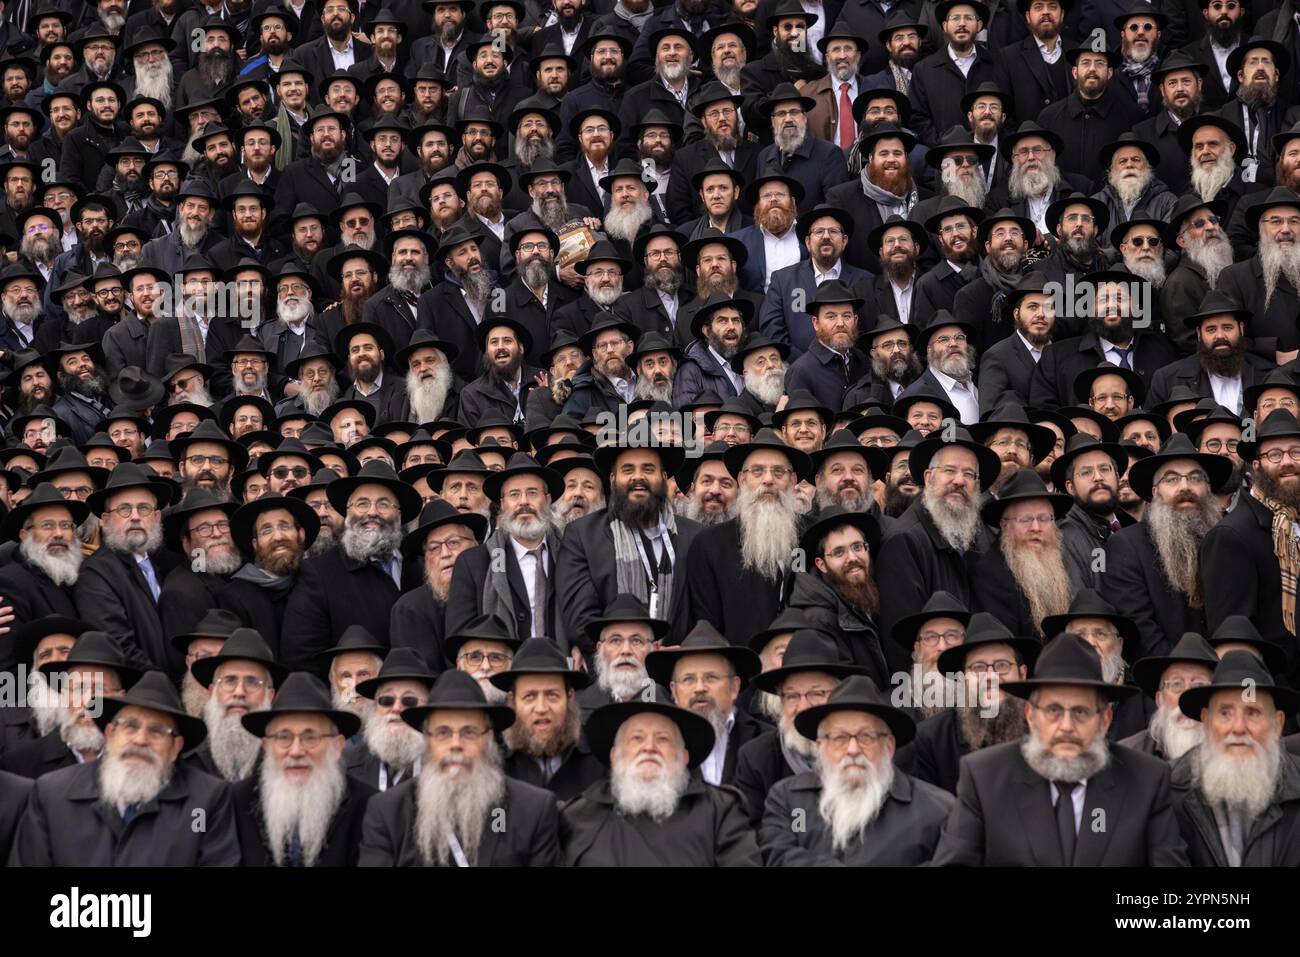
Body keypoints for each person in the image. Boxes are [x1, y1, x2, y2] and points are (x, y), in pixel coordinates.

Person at [931, 633, 1188, 866]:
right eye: (1053, 710)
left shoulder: (1145, 780)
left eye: (1081, 712)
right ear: (1030, 715)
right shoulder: (985, 777)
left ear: (1105, 719)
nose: (1066, 726)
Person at [8, 671, 241, 866]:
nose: (140, 740)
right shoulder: (53, 794)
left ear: (176, 747)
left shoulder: (205, 801)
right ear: (109, 734)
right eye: (130, 726)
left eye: (157, 731)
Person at [357, 669, 562, 867]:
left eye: (469, 732)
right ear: (428, 740)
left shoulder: (533, 810)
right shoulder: (388, 813)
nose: (456, 744)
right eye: (443, 732)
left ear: (488, 738)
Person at [760, 674, 954, 865]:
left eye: (866, 737)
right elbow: (777, 854)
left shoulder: (936, 810)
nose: (853, 750)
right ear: (820, 747)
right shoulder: (789, 801)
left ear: (888, 746)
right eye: (839, 738)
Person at [559, 698, 761, 866]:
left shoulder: (720, 809)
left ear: (683, 758)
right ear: (615, 755)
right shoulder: (578, 815)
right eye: (637, 738)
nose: (649, 747)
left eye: (662, 739)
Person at [232, 672, 375, 867]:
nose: (296, 751)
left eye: (310, 738)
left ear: (337, 746)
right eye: (283, 737)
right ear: (267, 746)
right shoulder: (237, 801)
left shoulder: (368, 806)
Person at [1170, 650, 1300, 866]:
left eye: (1252, 713)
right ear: (1206, 721)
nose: (1239, 728)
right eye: (1225, 713)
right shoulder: (1169, 790)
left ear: (1277, 724)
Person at [491, 638, 605, 803]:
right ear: (513, 701)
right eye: (530, 696)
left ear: (570, 697)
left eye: (552, 695)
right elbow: (497, 827)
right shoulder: (495, 764)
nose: (541, 708)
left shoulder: (598, 760)